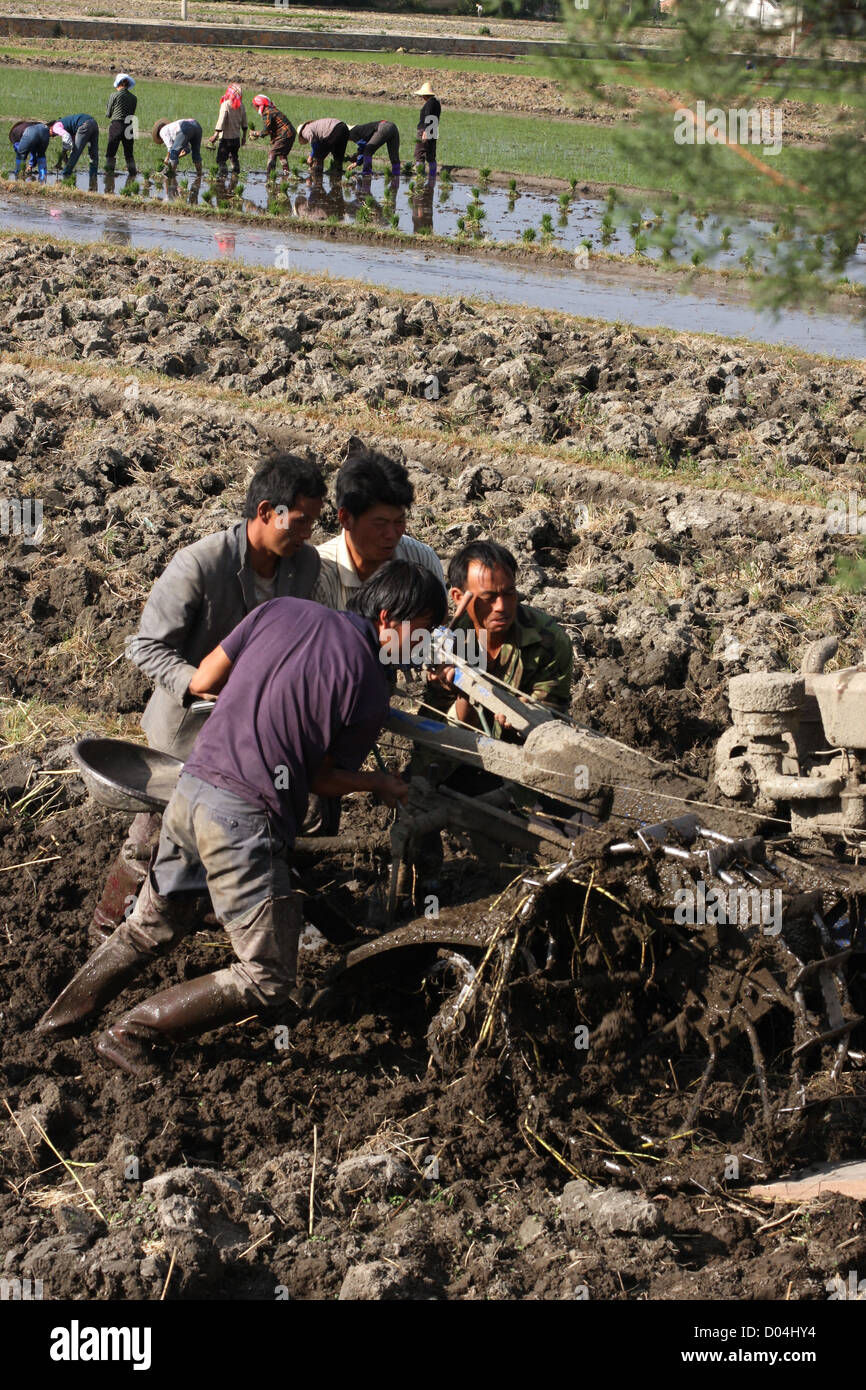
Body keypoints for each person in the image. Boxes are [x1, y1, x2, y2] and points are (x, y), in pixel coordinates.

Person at [36, 561, 447, 1077]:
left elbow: (206, 675)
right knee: (268, 976)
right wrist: (381, 785)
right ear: (389, 617)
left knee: (151, 925)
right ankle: (130, 1034)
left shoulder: (282, 610)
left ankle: (55, 1026)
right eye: (424, 629)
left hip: (189, 789)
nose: (423, 643)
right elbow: (322, 779)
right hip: (244, 820)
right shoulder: (367, 683)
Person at [85, 454, 325, 944]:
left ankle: (208, 911)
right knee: (151, 837)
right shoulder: (200, 564)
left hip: (253, 733)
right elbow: (144, 647)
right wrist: (197, 680)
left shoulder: (305, 566)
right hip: (187, 731)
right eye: (300, 522)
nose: (307, 534)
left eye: (314, 523)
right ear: (265, 511)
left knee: (247, 831)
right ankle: (108, 928)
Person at [406, 540, 573, 896]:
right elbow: (442, 731)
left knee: (562, 816)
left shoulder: (547, 639)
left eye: (510, 593)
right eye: (488, 597)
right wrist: (457, 690)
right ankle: (424, 882)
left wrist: (512, 710)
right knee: (416, 790)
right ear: (459, 596)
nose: (502, 606)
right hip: (459, 746)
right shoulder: (443, 639)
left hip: (523, 756)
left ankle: (540, 881)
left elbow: (548, 726)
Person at [313, 450, 444, 612]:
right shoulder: (317, 576)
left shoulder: (422, 559)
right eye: (379, 523)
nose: (391, 535)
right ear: (346, 518)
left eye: (398, 521)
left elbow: (439, 630)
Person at [249, 94, 296, 178]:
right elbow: (271, 129)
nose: (255, 109)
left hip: (284, 135)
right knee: (282, 154)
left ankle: (270, 175)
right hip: (290, 134)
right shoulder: (272, 110)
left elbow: (266, 131)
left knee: (273, 153)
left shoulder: (267, 112)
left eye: (255, 106)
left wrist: (254, 133)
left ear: (259, 105)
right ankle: (286, 174)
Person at [207, 83, 248, 175]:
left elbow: (221, 120)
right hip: (236, 138)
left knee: (221, 160)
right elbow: (245, 123)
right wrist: (244, 137)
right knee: (234, 158)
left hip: (226, 138)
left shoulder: (226, 104)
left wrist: (215, 135)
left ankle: (223, 177)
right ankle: (235, 176)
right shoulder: (241, 105)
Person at [104, 73, 137, 177]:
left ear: (118, 84)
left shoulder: (114, 95)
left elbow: (108, 114)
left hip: (117, 125)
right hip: (129, 126)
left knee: (111, 152)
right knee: (129, 153)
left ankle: (109, 174)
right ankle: (133, 174)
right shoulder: (134, 98)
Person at [50, 113, 99, 178]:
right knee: (94, 152)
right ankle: (93, 175)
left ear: (50, 127)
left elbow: (66, 135)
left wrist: (65, 150)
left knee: (76, 152)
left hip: (84, 125)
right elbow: (72, 142)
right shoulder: (69, 127)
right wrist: (64, 156)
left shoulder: (55, 127)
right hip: (93, 123)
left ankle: (66, 174)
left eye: (50, 134)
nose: (52, 136)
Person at [413, 81, 441, 178]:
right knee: (431, 155)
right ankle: (432, 176)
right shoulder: (437, 103)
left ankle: (419, 177)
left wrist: (425, 131)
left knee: (419, 154)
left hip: (425, 130)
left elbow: (428, 117)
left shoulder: (429, 104)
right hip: (434, 130)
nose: (422, 97)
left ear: (425, 95)